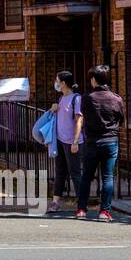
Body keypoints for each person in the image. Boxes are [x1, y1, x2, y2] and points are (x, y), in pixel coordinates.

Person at [75, 64, 124, 222]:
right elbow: (120, 119)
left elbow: (84, 118)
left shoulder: (87, 98)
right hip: (110, 141)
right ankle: (105, 211)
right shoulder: (116, 98)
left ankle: (81, 209)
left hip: (92, 141)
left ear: (94, 80)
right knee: (108, 177)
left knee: (86, 176)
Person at [47, 71, 84, 214]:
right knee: (60, 172)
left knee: (75, 173)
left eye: (57, 80)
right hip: (60, 141)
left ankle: (81, 204)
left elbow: (79, 120)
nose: (55, 83)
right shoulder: (62, 98)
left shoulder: (76, 98)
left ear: (63, 83)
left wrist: (75, 141)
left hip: (72, 141)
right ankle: (55, 202)